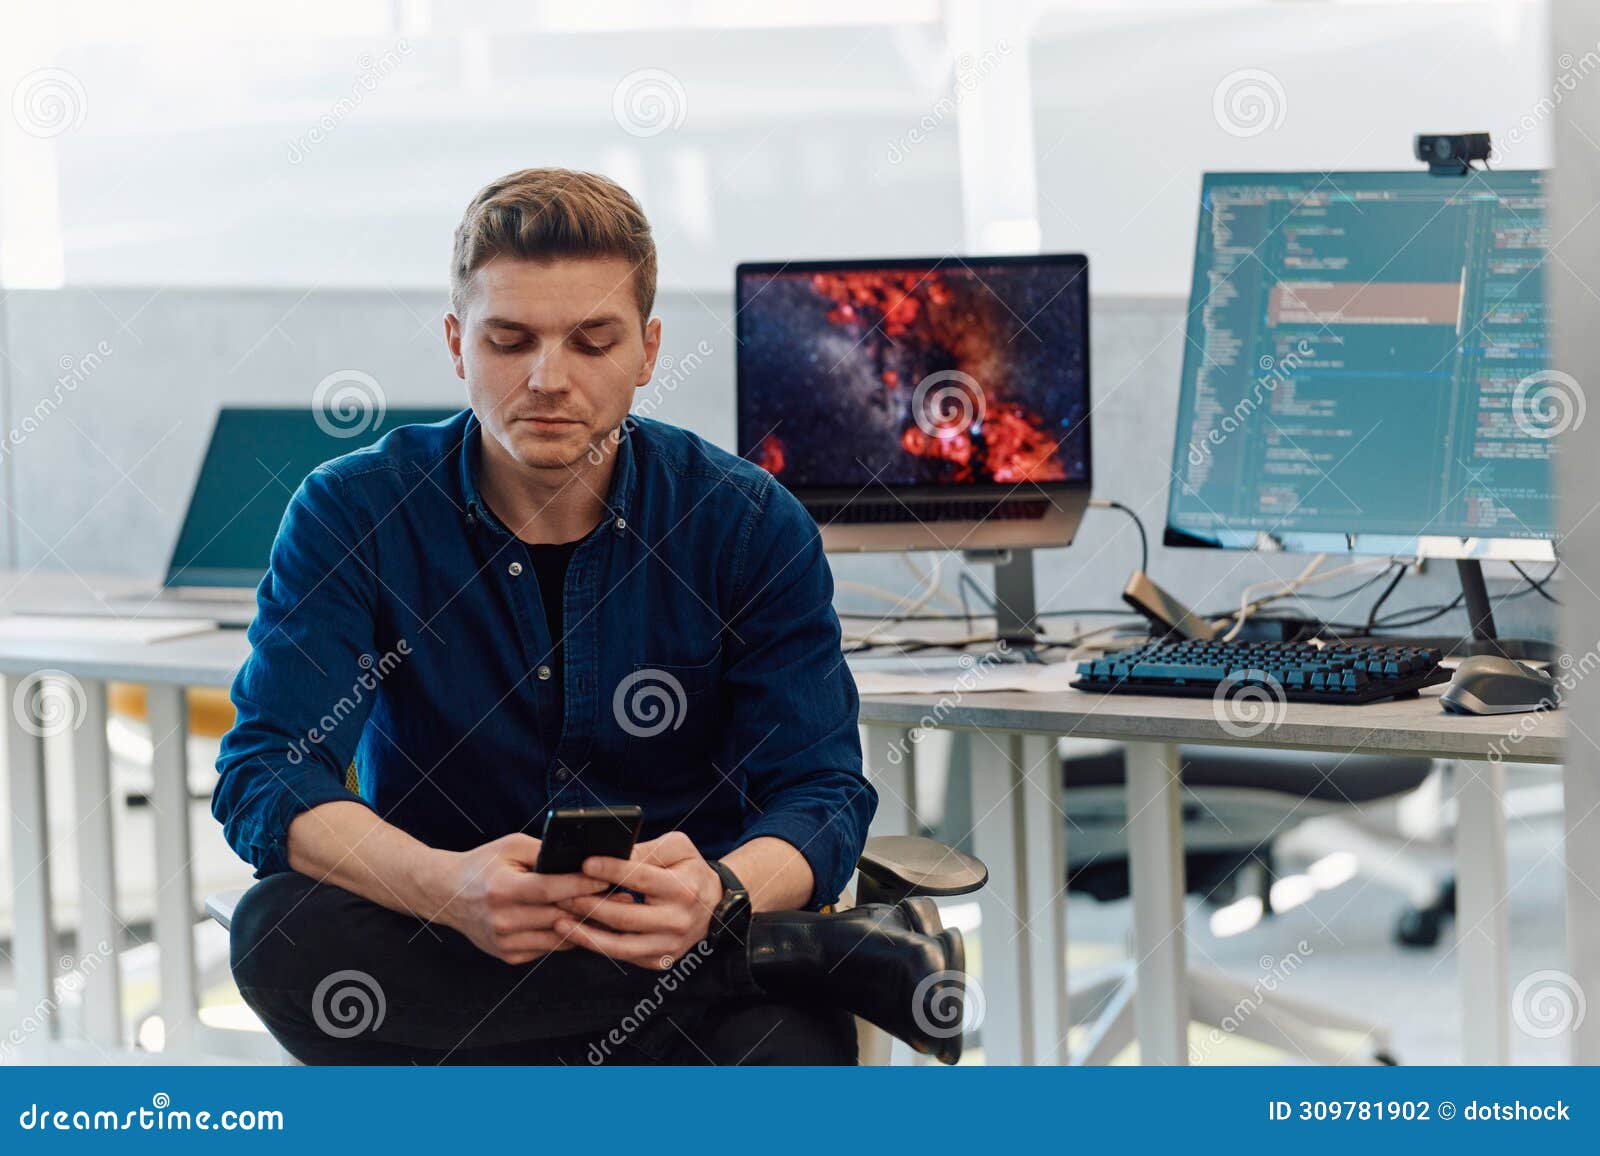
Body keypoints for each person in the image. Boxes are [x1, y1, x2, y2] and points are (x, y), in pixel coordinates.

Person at [214, 167, 966, 1065]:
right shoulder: (353, 511)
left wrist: (721, 894)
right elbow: (266, 772)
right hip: (452, 944)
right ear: (457, 344)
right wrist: (449, 887)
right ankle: (792, 955)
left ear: (648, 351)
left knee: (790, 1064)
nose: (548, 379)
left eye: (592, 342)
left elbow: (822, 791)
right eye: (509, 340)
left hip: (669, 947)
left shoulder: (747, 524)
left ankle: (731, 958)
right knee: (276, 932)